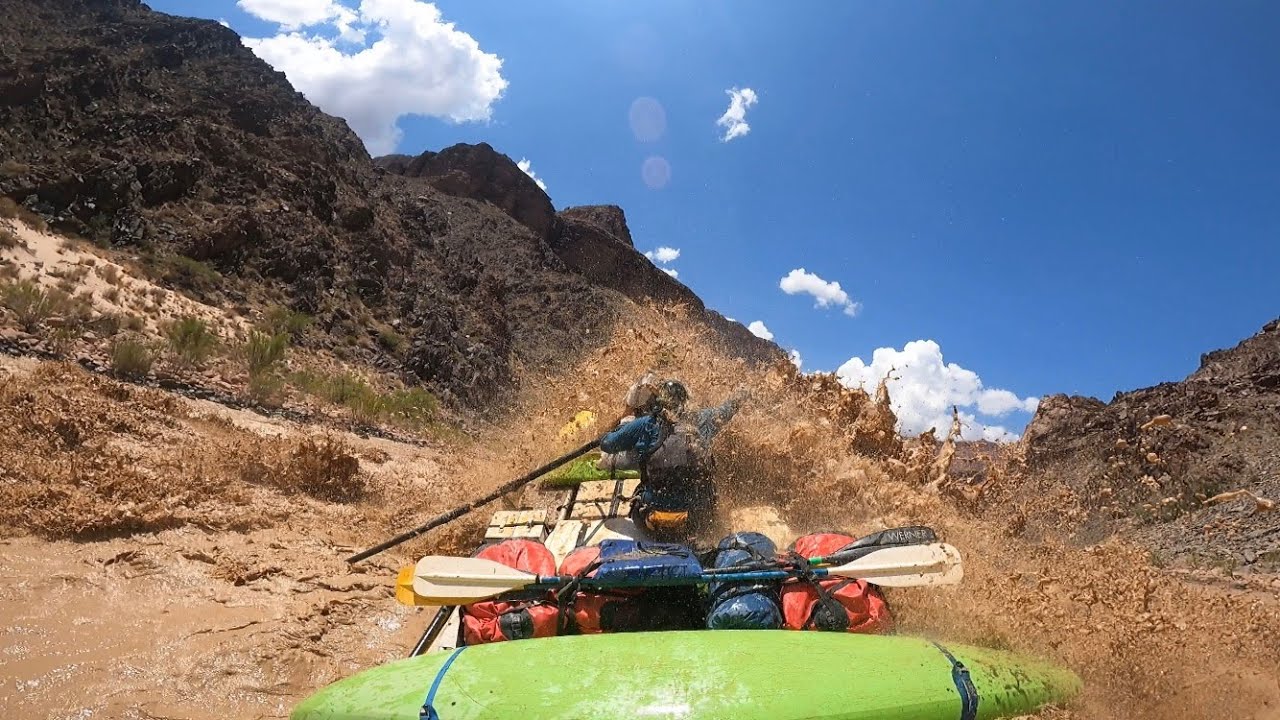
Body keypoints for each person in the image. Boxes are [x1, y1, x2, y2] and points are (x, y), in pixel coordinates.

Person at [598, 377, 747, 542]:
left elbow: (607, 444)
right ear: (685, 402)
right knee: (706, 488)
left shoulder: (646, 424)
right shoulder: (702, 420)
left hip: (651, 525)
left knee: (641, 488)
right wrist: (743, 393)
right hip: (695, 525)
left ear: (658, 403)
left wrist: (620, 428)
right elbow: (727, 410)